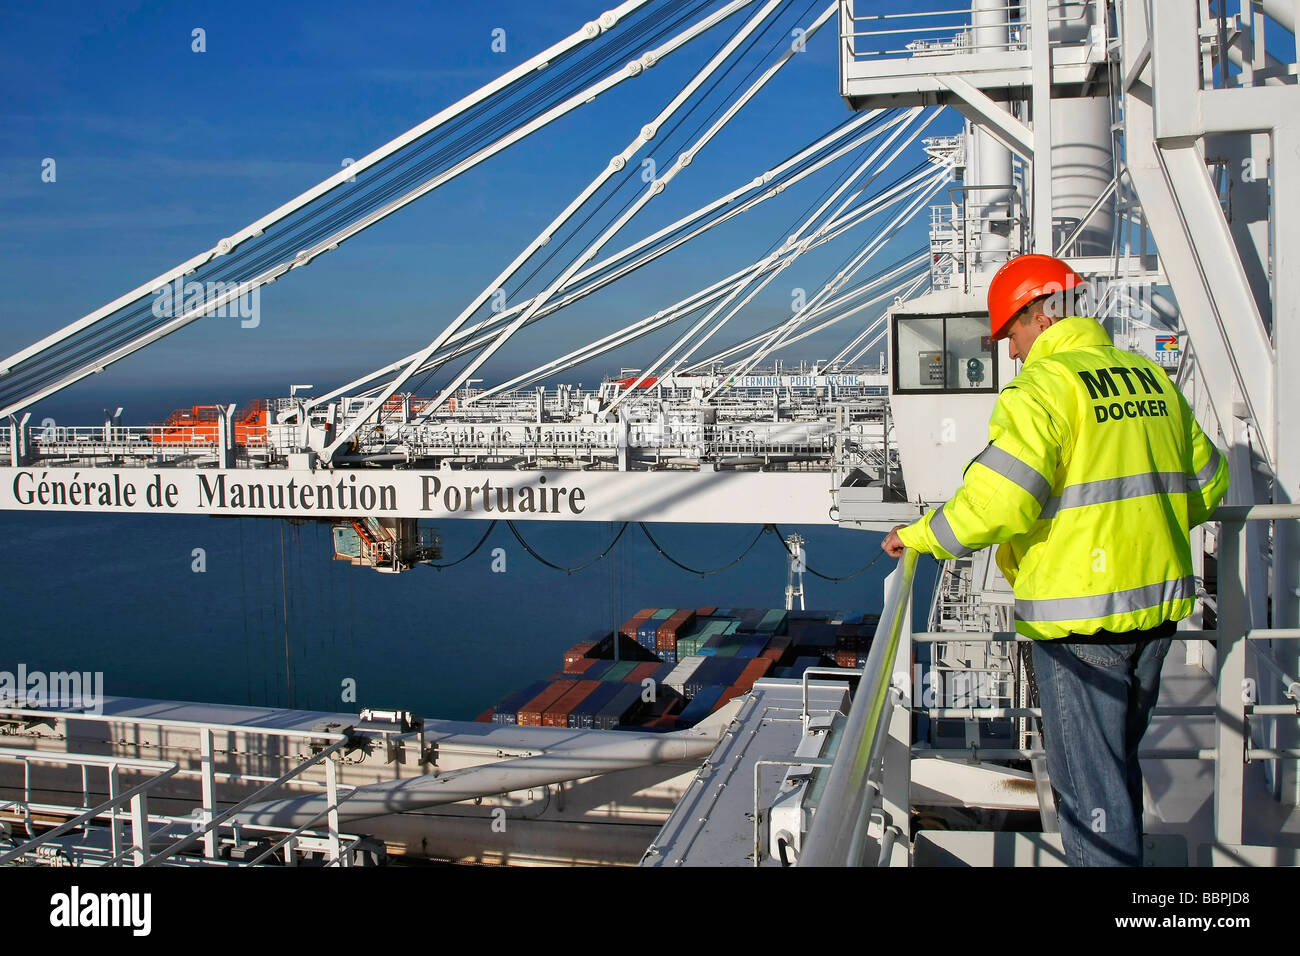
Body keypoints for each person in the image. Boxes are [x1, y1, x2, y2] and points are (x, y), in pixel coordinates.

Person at [881, 253, 1229, 866]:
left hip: (1080, 621)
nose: (1009, 352)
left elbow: (999, 503)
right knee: (1114, 771)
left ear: (1040, 317)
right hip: (1158, 614)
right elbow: (1209, 485)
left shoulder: (1043, 389)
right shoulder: (1150, 378)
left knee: (1090, 797)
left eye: (1009, 334)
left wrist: (921, 537)